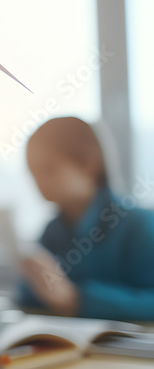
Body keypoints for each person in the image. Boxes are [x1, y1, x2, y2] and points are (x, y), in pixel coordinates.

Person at [18, 116, 154, 320]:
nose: (38, 181)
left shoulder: (142, 226)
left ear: (88, 164)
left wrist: (77, 300)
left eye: (47, 169)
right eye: (32, 172)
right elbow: (28, 297)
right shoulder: (51, 232)